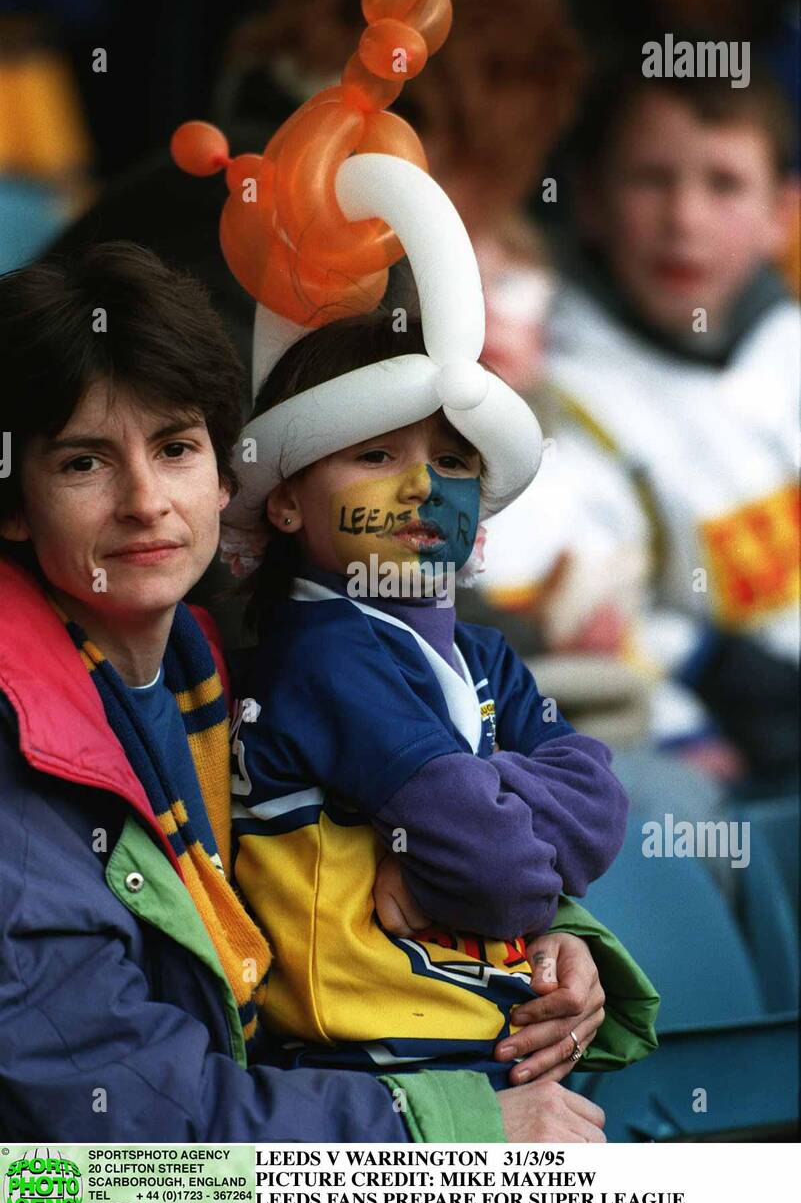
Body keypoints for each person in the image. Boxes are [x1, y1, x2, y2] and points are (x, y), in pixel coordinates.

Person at [0, 240, 624, 1143]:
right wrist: (449, 1134)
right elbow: (110, 1147)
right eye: (84, 464)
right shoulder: (24, 757)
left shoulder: (212, 673)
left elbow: (503, 828)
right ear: (14, 504)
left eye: (174, 448)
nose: (145, 501)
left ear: (225, 480)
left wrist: (556, 942)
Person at [224, 309, 659, 1088]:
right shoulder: (324, 651)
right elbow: (494, 872)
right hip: (362, 1073)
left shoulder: (484, 652)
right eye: (375, 453)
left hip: (476, 1042)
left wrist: (447, 839)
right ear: (285, 502)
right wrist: (480, 838)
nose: (423, 485)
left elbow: (599, 808)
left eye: (455, 461)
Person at [480, 68, 800, 786]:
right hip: (731, 751)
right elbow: (601, 632)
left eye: (722, 184)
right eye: (650, 180)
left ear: (780, 212)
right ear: (588, 200)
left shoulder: (788, 341)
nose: (683, 218)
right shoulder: (553, 392)